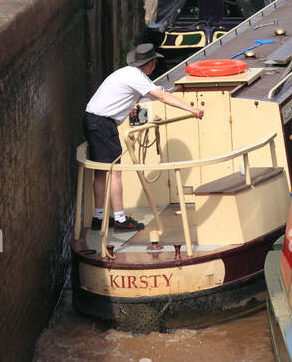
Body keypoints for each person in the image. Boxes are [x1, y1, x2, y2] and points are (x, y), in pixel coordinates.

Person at [84, 42, 203, 231]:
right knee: (115, 172)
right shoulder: (136, 77)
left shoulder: (125, 73)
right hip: (103, 123)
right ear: (150, 64)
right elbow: (162, 97)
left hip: (92, 119)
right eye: (154, 63)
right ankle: (121, 220)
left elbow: (147, 96)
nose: (154, 66)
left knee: (101, 172)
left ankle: (99, 218)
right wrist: (192, 109)